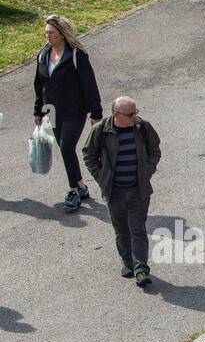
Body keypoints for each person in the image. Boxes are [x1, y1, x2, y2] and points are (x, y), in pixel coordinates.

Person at [82, 96, 162, 287]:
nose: (135, 116)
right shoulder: (101, 130)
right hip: (114, 191)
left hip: (138, 190)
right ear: (116, 114)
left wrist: (147, 170)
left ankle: (141, 269)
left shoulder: (143, 128)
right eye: (131, 114)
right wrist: (102, 177)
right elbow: (88, 154)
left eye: (136, 111)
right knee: (121, 229)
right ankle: (127, 262)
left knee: (138, 229)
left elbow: (155, 150)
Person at [33, 15, 103, 212]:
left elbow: (89, 84)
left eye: (52, 33)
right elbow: (39, 85)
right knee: (65, 149)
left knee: (66, 146)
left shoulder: (76, 55)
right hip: (53, 110)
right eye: (46, 33)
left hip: (75, 110)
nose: (48, 37)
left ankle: (72, 190)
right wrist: (38, 110)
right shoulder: (43, 54)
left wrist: (96, 112)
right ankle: (81, 185)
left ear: (62, 34)